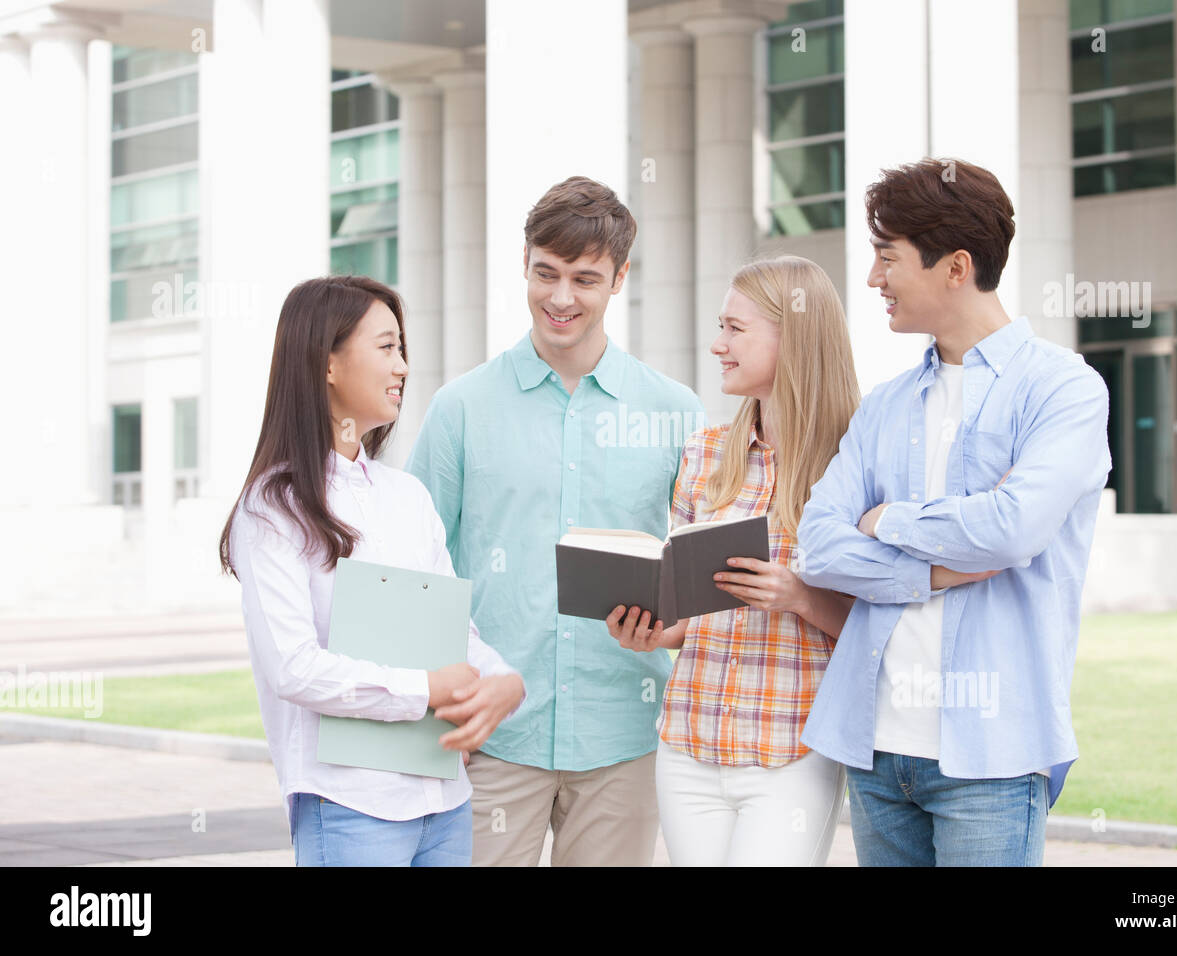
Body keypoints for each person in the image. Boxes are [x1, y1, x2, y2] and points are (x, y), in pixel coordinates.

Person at [796, 158, 1112, 866]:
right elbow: (817, 546)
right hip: (875, 750)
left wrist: (886, 520)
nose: (874, 280)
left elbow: (1014, 530)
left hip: (992, 759)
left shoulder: (1065, 390)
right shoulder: (884, 405)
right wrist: (935, 571)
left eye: (887, 258)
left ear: (955, 267)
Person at [405, 176, 706, 866]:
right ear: (524, 263)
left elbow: (701, 575)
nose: (561, 298)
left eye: (585, 278)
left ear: (619, 278)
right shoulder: (461, 409)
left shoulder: (675, 412)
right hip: (492, 739)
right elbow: (415, 570)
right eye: (546, 273)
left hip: (623, 739)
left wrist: (673, 626)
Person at [218, 275, 525, 867]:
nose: (403, 366)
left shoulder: (406, 496)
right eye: (386, 347)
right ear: (327, 362)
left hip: (445, 802)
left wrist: (502, 679)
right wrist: (424, 690)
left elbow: (451, 633)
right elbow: (293, 667)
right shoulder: (274, 507)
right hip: (350, 805)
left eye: (402, 349)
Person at [606, 255, 857, 866]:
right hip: (690, 744)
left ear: (792, 334)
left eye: (735, 329)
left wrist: (798, 595)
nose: (718, 345)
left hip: (791, 752)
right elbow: (688, 617)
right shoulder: (706, 453)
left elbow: (888, 625)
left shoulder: (854, 455)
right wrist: (651, 632)